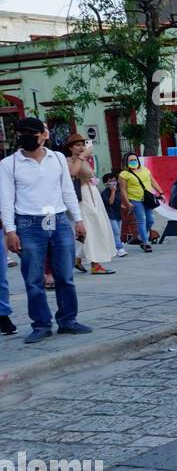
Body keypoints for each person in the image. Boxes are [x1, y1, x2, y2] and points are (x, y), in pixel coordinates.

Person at [0, 116, 93, 343]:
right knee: (33, 279)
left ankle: (68, 320)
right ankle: (41, 325)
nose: (26, 138)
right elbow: (6, 199)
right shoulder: (8, 164)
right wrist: (10, 231)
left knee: (65, 275)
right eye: (22, 134)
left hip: (57, 218)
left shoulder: (58, 158)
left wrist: (78, 220)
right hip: (28, 223)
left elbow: (67, 191)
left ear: (43, 135)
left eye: (31, 134)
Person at [61, 134, 116, 275]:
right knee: (91, 228)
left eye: (82, 144)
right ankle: (94, 263)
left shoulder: (85, 160)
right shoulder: (68, 160)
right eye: (77, 145)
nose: (81, 147)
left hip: (92, 194)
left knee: (98, 226)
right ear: (70, 148)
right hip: (81, 196)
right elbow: (72, 173)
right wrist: (81, 157)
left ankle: (78, 258)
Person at [120, 151, 161, 251]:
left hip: (147, 199)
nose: (133, 161)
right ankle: (146, 243)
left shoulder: (145, 170)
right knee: (141, 219)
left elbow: (152, 181)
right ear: (126, 162)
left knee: (151, 220)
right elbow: (123, 190)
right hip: (134, 199)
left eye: (135, 160)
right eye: (131, 160)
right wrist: (127, 202)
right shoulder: (124, 174)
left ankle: (139, 237)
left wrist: (161, 192)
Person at [100, 171, 128, 258]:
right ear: (106, 183)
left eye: (114, 180)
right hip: (110, 215)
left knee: (116, 231)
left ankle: (113, 247)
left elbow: (120, 201)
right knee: (116, 231)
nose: (113, 183)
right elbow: (110, 202)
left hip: (118, 214)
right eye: (110, 181)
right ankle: (120, 248)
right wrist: (112, 191)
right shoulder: (105, 192)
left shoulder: (119, 190)